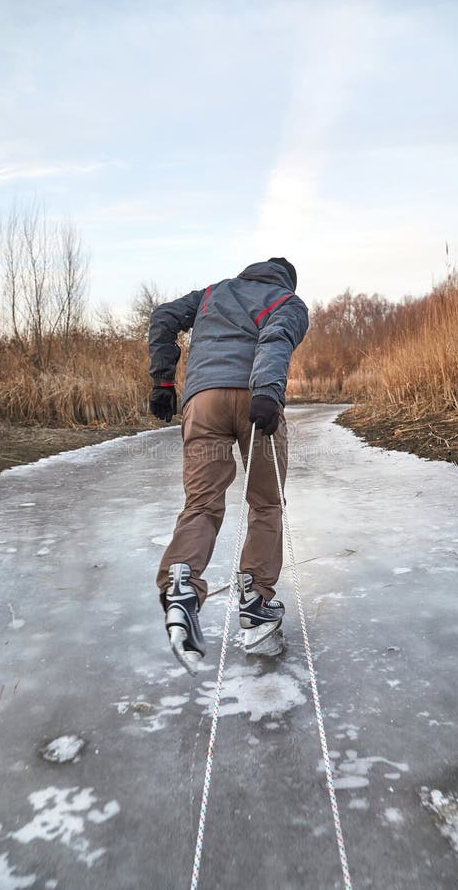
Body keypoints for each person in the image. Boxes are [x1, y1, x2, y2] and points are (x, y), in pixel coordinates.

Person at [148, 257, 309, 674]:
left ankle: (182, 584)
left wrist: (163, 381)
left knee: (201, 504)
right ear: (286, 281)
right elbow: (275, 339)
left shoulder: (212, 294)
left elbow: (164, 317)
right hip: (256, 401)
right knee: (266, 505)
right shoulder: (288, 302)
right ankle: (255, 604)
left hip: (203, 403)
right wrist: (268, 392)